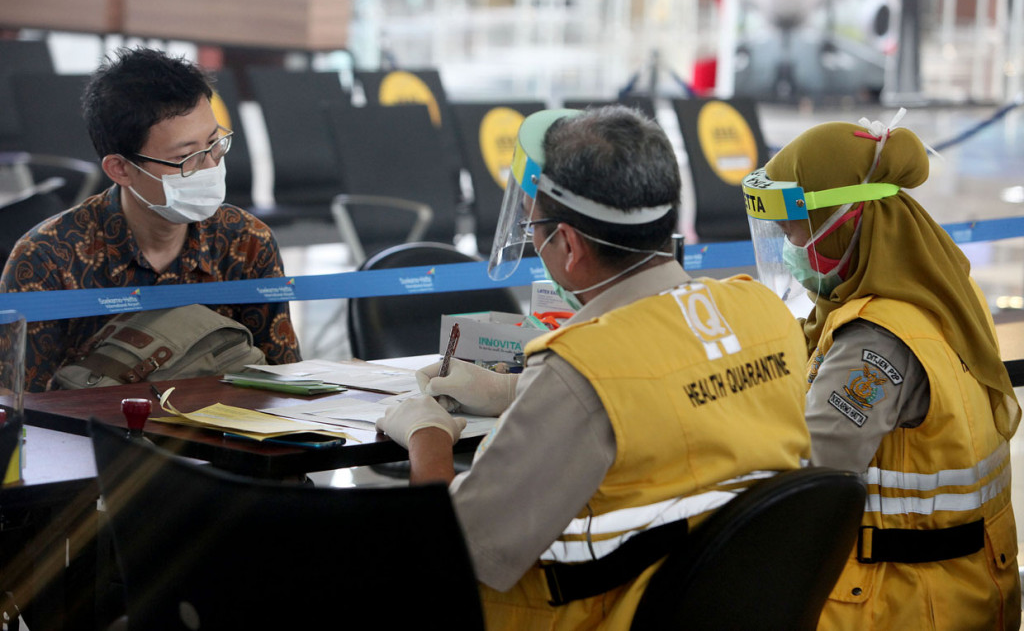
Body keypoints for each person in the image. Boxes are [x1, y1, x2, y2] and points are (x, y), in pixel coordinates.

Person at [376, 106, 812, 629]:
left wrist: (428, 437)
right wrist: (518, 390)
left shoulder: (579, 369)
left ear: (570, 245)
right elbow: (667, 401)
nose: (536, 242)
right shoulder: (763, 313)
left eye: (537, 227)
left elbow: (447, 553)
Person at [742, 114, 1021, 630]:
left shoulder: (874, 342)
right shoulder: (944, 293)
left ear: (846, 221)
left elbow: (805, 478)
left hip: (902, 602)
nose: (788, 250)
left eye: (792, 231)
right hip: (969, 587)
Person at [0, 47, 301, 392]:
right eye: (187, 157)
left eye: (215, 144)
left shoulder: (245, 241)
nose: (211, 167)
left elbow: (285, 382)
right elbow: (14, 404)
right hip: (92, 440)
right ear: (121, 169)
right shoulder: (49, 259)